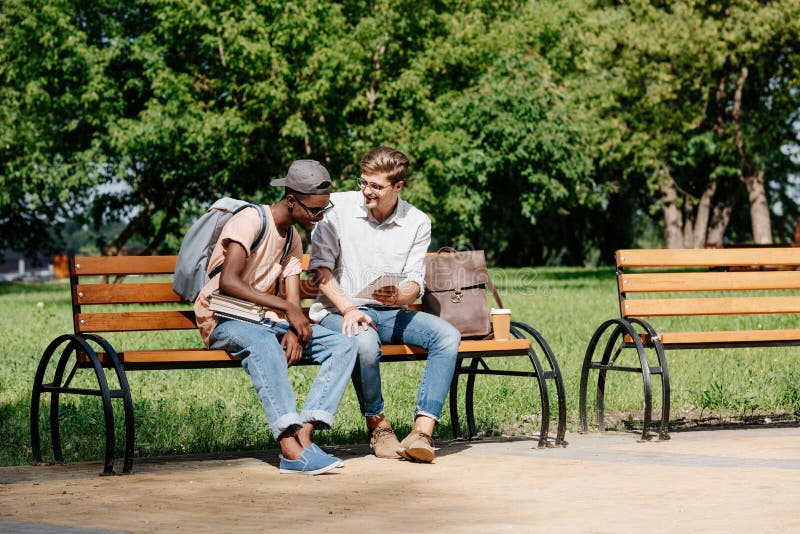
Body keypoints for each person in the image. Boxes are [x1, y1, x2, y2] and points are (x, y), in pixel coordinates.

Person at [194, 160, 358, 475]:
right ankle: (289, 449)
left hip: (265, 320)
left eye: (325, 209)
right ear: (292, 200)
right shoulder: (251, 220)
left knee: (343, 345)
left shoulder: (293, 239)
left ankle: (304, 439)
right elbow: (229, 281)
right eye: (315, 211)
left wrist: (295, 331)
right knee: (263, 345)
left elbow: (293, 299)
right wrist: (286, 310)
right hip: (223, 319)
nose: (320, 217)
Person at [309, 146, 461, 463]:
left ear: (398, 187)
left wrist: (399, 295)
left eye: (376, 186)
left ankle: (422, 431)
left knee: (447, 336)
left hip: (389, 313)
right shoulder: (337, 209)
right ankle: (378, 426)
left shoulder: (418, 222)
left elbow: (414, 283)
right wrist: (350, 309)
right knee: (364, 342)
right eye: (364, 182)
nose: (367, 191)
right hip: (338, 312)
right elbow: (321, 272)